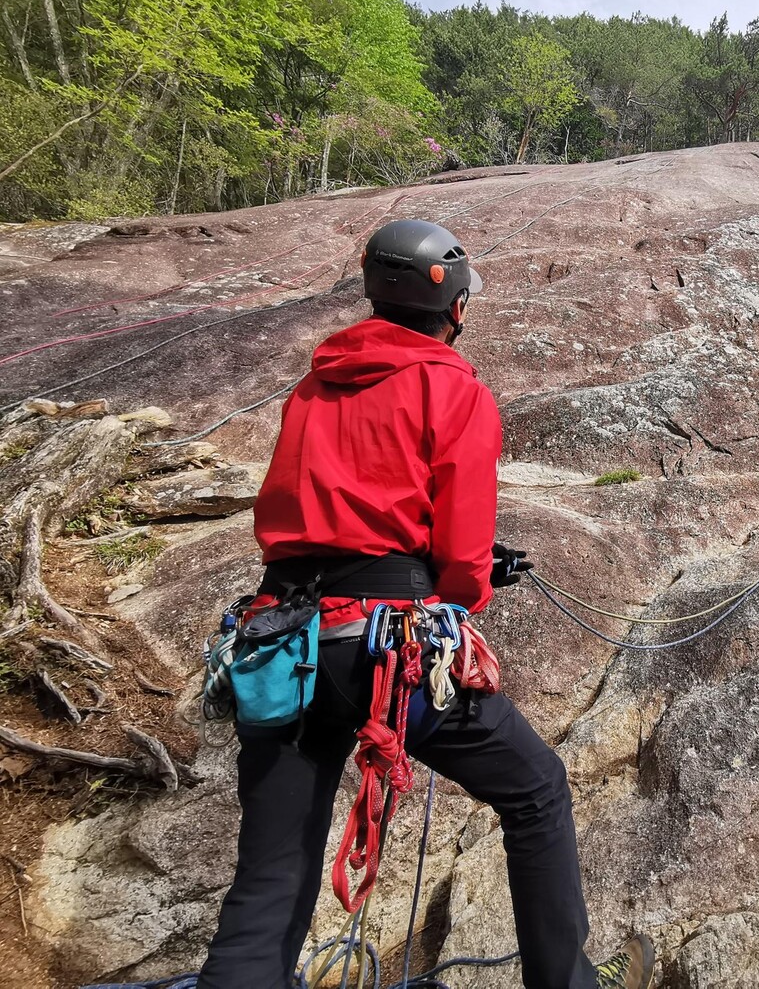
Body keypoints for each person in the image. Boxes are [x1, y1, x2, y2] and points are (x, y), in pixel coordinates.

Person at [197, 219, 655, 989]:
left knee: (272, 870)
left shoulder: (313, 388)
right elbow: (464, 560)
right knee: (536, 788)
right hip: (384, 649)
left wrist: (410, 564)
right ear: (455, 306)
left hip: (283, 644)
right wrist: (454, 585)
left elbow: (318, 519)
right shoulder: (452, 388)